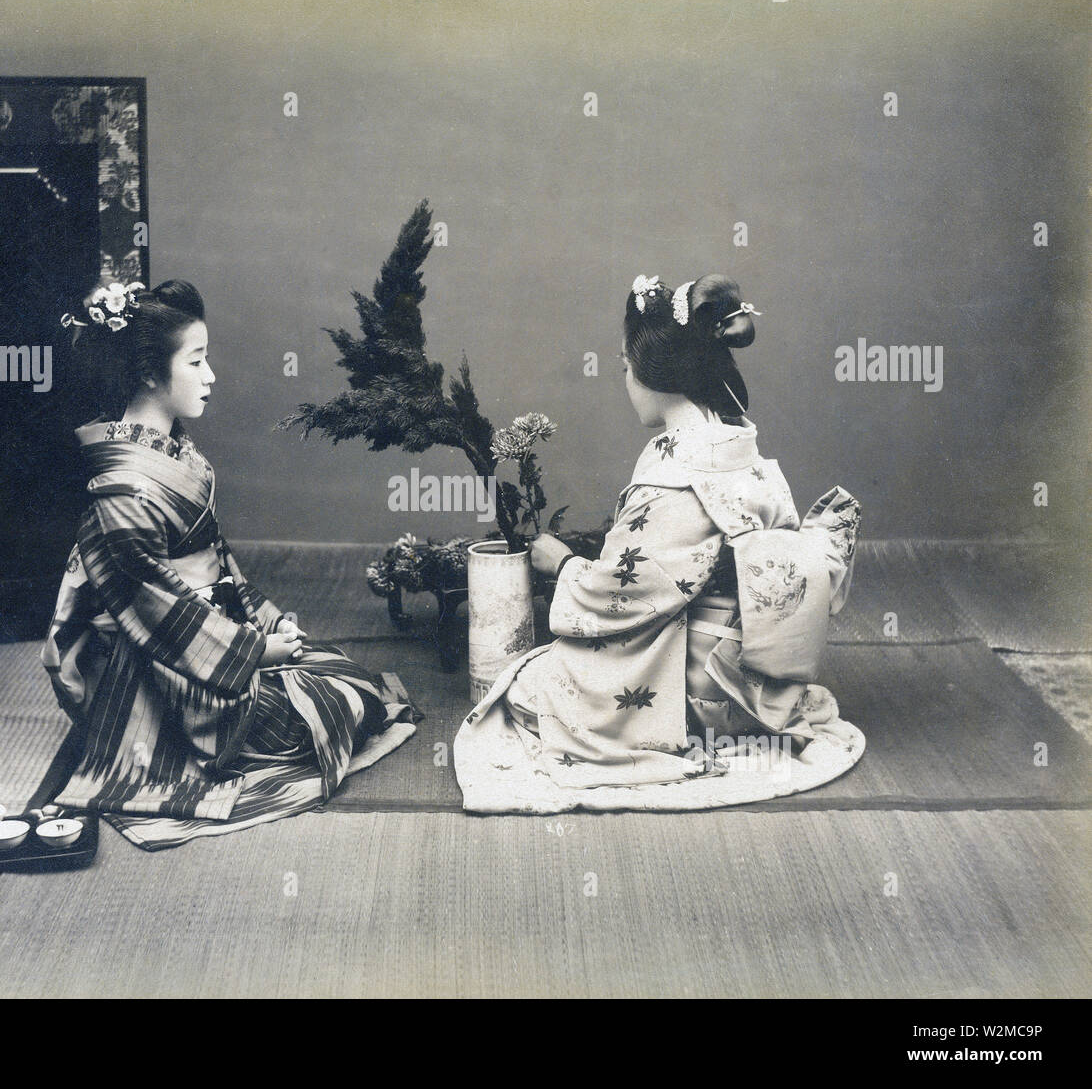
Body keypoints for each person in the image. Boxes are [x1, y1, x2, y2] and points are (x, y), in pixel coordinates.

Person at [453, 273, 862, 806]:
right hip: (755, 669)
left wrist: (564, 565)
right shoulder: (741, 447)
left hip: (704, 682)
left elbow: (623, 596)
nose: (624, 379)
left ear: (654, 372)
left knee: (529, 688)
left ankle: (674, 732)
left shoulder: (678, 476)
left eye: (625, 367)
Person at [43, 279, 415, 848]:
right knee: (332, 707)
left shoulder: (173, 450)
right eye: (196, 360)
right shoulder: (123, 490)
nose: (211, 374)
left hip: (209, 637)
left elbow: (217, 566)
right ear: (150, 374)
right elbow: (160, 612)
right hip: (156, 668)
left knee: (347, 678)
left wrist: (264, 622)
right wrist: (252, 652)